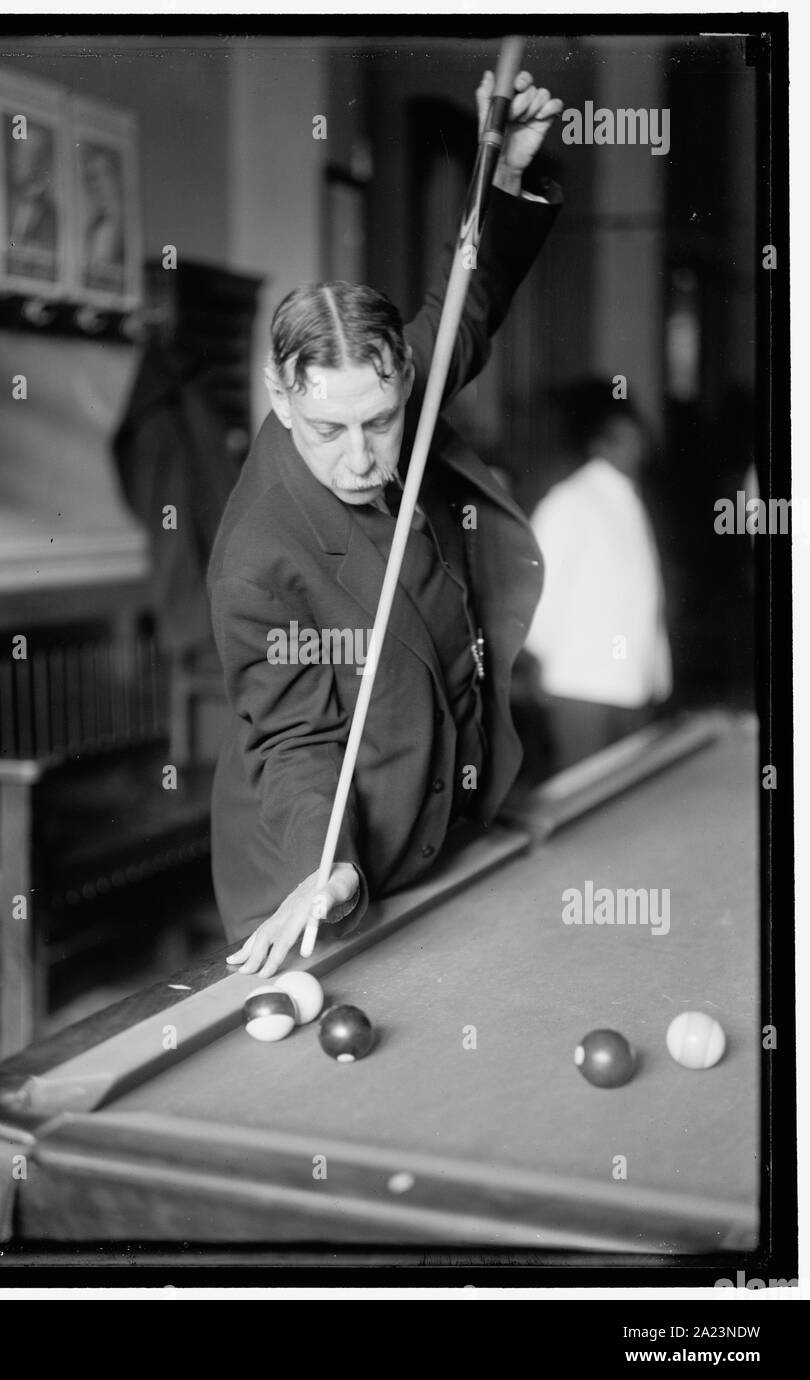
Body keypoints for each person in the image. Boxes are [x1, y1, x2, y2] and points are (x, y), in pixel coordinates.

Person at [208, 68, 563, 975]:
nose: (363, 456)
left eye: (383, 420)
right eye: (331, 430)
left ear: (403, 380)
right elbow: (292, 741)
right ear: (281, 400)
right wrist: (325, 873)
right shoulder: (260, 556)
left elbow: (465, 312)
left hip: (447, 823)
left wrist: (507, 175)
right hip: (332, 881)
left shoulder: (393, 381)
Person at [524, 380, 673, 771]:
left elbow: (643, 594)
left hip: (633, 683)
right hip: (582, 686)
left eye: (638, 438)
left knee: (629, 802)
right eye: (624, 439)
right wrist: (545, 658)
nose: (637, 448)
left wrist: (656, 670)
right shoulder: (569, 500)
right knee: (586, 798)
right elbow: (538, 591)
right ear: (600, 445)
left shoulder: (632, 499)